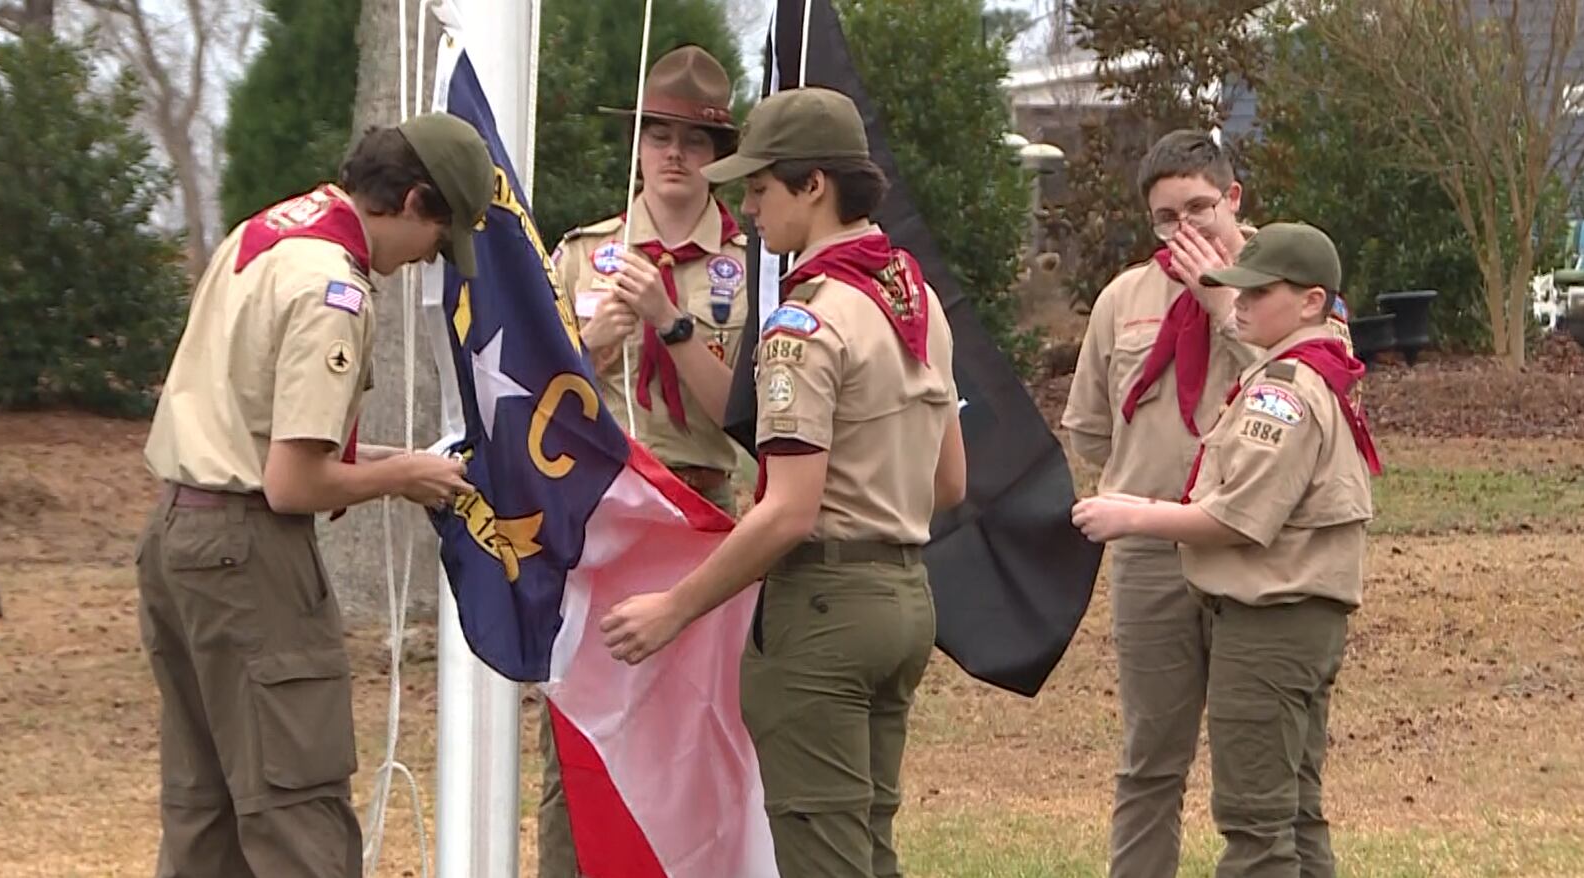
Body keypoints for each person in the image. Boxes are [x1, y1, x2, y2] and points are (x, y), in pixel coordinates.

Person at [597, 86, 967, 878]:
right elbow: (949, 482)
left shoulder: (807, 321)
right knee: (868, 845)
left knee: (822, 855)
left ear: (814, 186)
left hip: (823, 611)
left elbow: (790, 511)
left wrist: (674, 607)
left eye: (761, 188)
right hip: (904, 597)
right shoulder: (918, 301)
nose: (749, 208)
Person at [133, 113, 494, 878]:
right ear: (413, 201)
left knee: (204, 815)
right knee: (297, 812)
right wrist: (402, 480)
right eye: (437, 237)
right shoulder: (335, 291)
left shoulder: (266, 234)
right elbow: (293, 483)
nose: (427, 258)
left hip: (178, 537)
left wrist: (409, 461)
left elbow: (258, 431)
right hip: (249, 559)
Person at [1073, 221, 1380, 878]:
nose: (1239, 303)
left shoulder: (1283, 390)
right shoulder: (1318, 371)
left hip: (1269, 622)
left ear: (1312, 302)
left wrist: (1133, 514)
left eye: (1260, 292)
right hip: (1299, 618)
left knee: (1255, 827)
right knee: (1293, 815)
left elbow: (1237, 518)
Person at [537, 43, 749, 878]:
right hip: (602, 527)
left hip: (701, 521)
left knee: (702, 741)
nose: (674, 155)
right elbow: (535, 406)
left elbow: (752, 419)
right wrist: (592, 344)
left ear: (720, 155)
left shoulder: (753, 264)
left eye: (694, 141)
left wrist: (671, 322)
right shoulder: (581, 255)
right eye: (658, 135)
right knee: (584, 740)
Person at [1060, 129, 1257, 877]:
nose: (1184, 229)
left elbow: (1311, 387)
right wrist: (1146, 478)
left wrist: (1223, 304)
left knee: (1257, 763)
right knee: (1150, 758)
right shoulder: (1124, 299)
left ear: (1232, 197)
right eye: (1165, 218)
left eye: (1198, 208)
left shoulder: (1285, 284)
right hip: (1148, 551)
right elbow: (1089, 427)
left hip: (1250, 545)